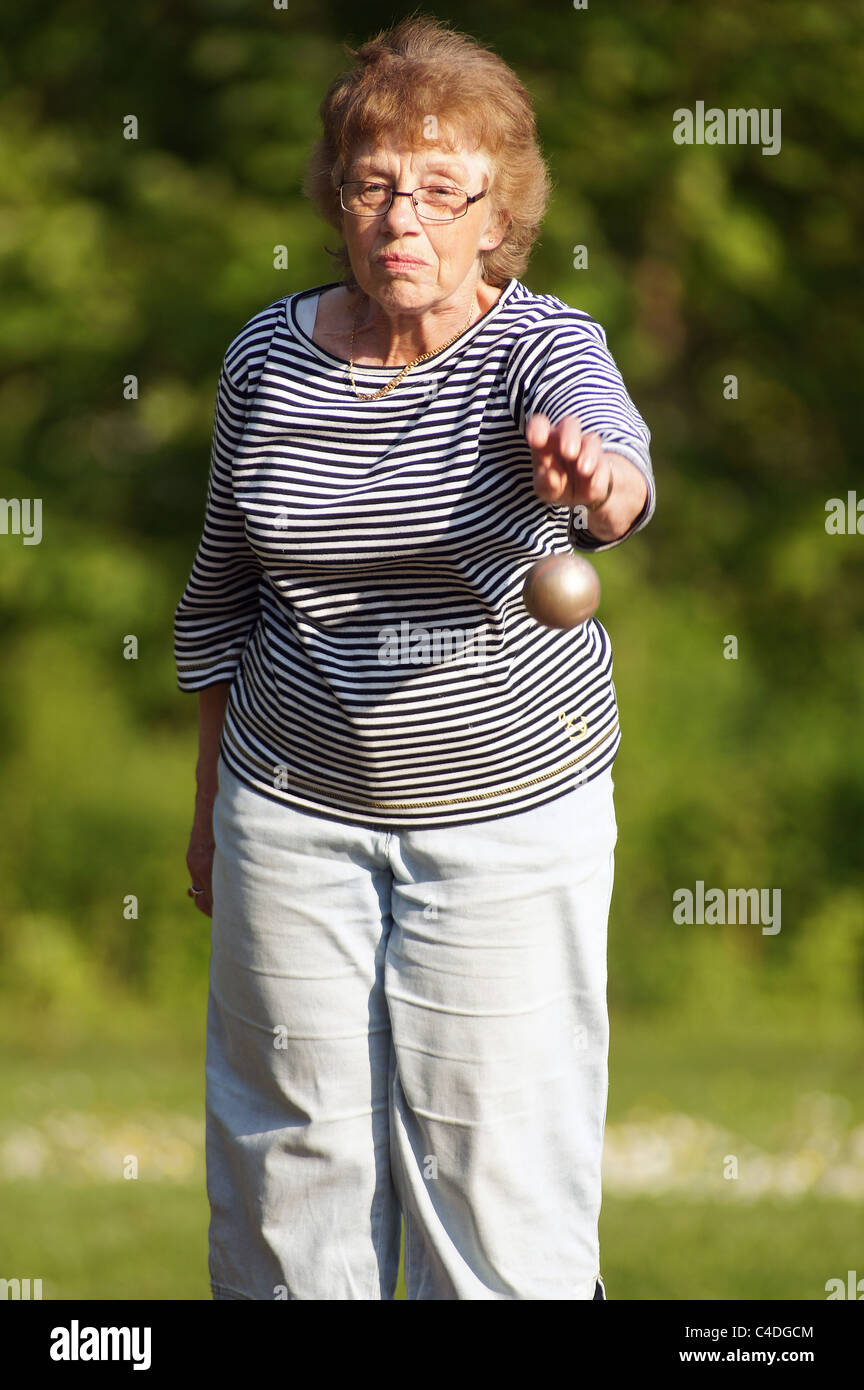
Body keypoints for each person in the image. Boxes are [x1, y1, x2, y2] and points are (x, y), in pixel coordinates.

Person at [174, 13, 655, 1301]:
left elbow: (618, 469)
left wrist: (596, 482)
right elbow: (222, 591)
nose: (406, 216)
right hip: (293, 810)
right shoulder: (266, 358)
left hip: (509, 823)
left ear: (497, 215)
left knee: (495, 1192)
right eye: (376, 184)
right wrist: (214, 794)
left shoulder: (543, 349)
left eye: (444, 190)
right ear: (338, 201)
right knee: (288, 1186)